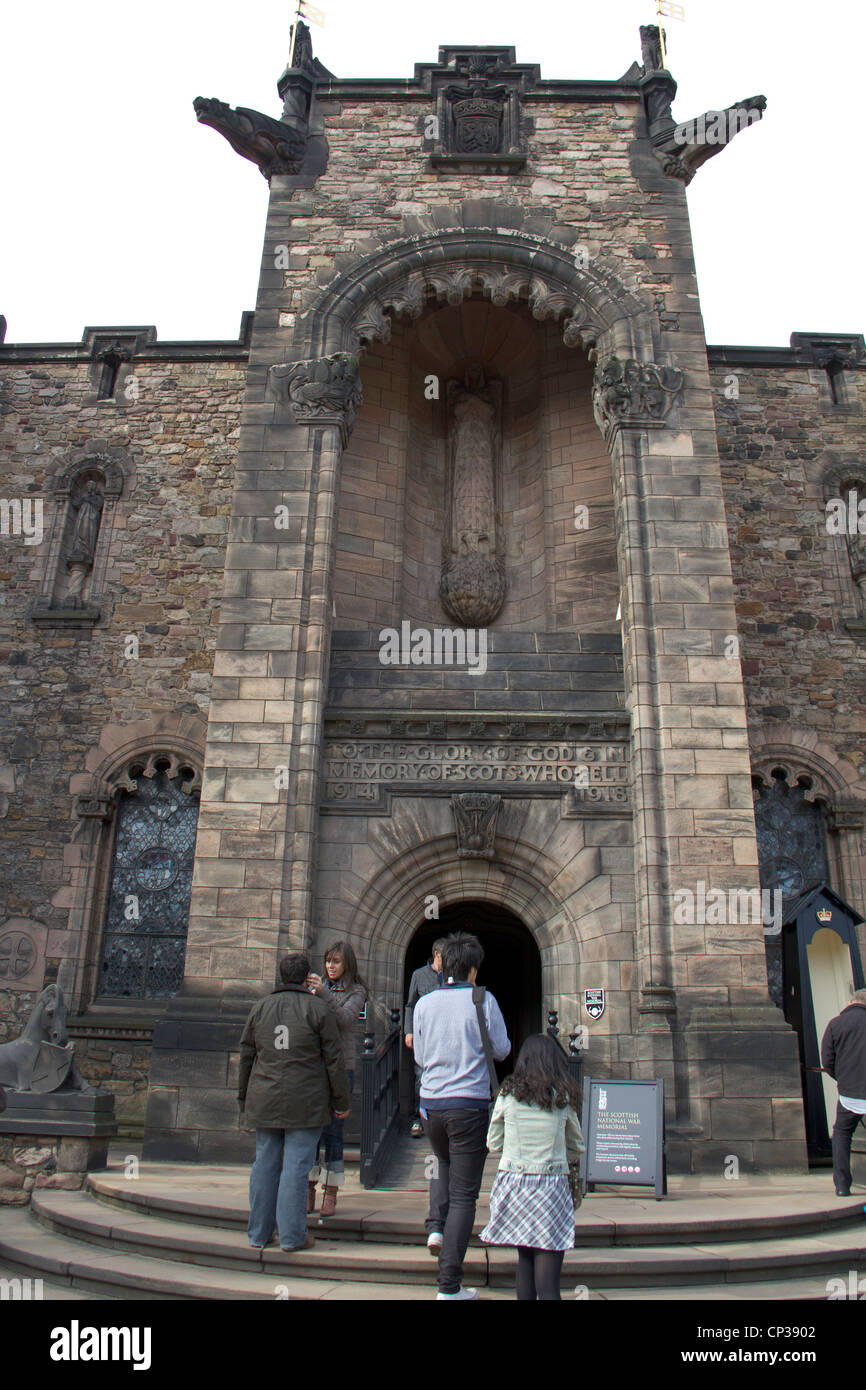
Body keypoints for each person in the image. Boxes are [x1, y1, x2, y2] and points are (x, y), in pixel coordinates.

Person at [413, 930, 510, 1301]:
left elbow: (420, 1057)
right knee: (465, 1197)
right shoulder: (483, 1000)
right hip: (468, 1105)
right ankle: (448, 1285)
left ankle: (435, 1228)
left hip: (432, 1105)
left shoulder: (425, 1004)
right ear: (472, 969)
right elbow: (501, 1050)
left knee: (441, 1162)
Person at [238, 951, 349, 1253]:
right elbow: (334, 1060)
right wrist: (341, 1100)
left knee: (264, 1165)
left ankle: (259, 1234)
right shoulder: (317, 1009)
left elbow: (247, 1055)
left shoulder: (260, 1007)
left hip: (265, 1099)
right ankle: (291, 1236)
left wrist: (243, 1098)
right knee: (296, 1168)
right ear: (305, 978)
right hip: (307, 1102)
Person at [480, 1034, 584, 1300]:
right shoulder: (562, 1098)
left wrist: (515, 1153)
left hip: (515, 1185)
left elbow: (493, 1143)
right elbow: (577, 1146)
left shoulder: (508, 1095)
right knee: (549, 1279)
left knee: (525, 1258)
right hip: (550, 1188)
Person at [306, 940, 369, 1217]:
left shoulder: (357, 991)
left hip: (341, 1069)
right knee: (309, 1131)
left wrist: (322, 994)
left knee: (333, 1132)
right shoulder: (316, 990)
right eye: (328, 961)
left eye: (336, 962)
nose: (330, 967)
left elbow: (345, 1019)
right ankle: (307, 1187)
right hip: (314, 1066)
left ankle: (330, 1191)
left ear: (347, 965)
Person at [820, 987, 866, 1196]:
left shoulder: (836, 1024)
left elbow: (828, 1061)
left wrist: (842, 1078)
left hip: (849, 1093)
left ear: (850, 1003)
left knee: (841, 1134)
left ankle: (842, 1185)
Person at [404, 939, 446, 1138]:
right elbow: (410, 1004)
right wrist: (408, 1031)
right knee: (421, 1077)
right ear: (436, 954)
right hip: (424, 1036)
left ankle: (441, 1122)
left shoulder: (453, 975)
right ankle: (417, 1119)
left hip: (446, 1037)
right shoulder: (419, 975)